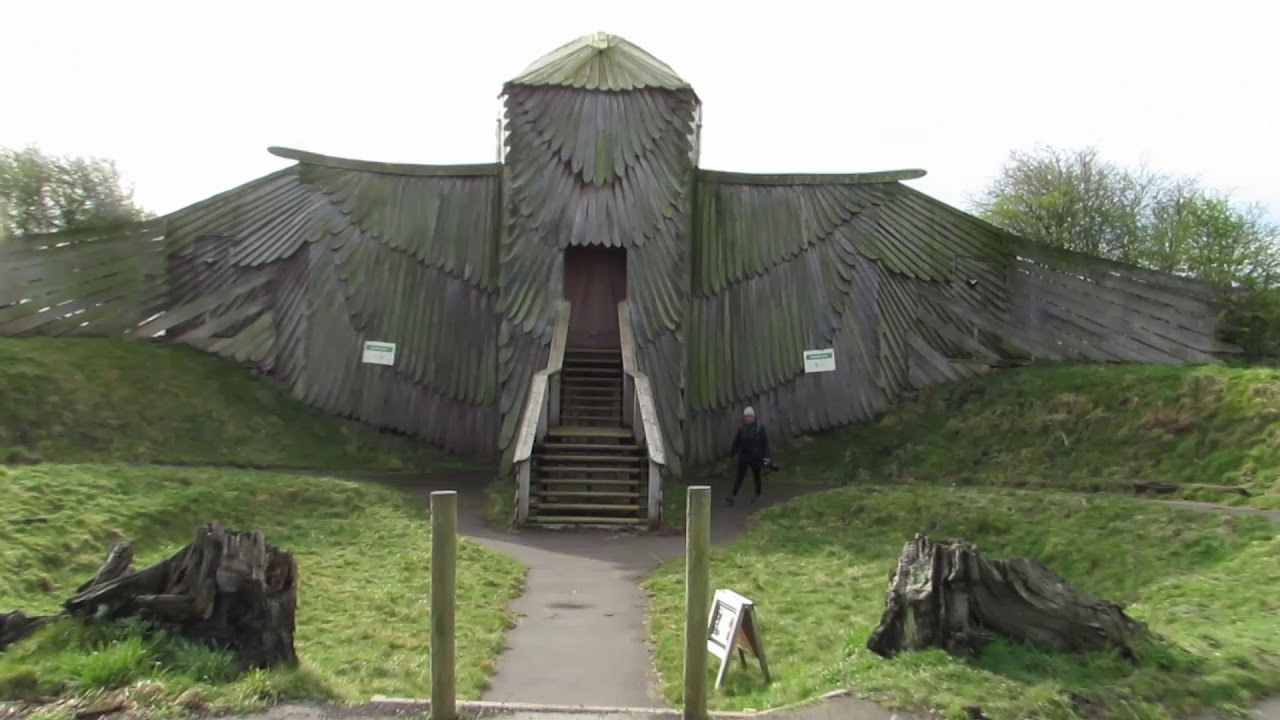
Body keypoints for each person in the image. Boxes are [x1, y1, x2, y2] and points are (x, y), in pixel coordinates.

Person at [726, 406, 769, 506]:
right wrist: (732, 453)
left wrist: (766, 457)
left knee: (757, 477)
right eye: (745, 416)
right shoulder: (741, 428)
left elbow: (765, 443)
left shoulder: (759, 428)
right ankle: (733, 496)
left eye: (749, 416)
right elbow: (736, 441)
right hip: (744, 457)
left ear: (754, 417)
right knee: (739, 477)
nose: (747, 418)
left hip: (756, 457)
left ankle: (758, 495)